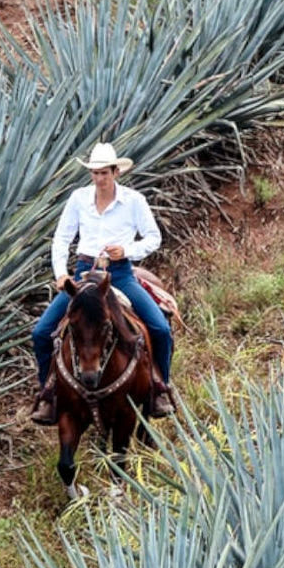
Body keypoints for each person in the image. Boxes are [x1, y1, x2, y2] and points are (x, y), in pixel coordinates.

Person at [31, 142, 174, 425]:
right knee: (41, 332)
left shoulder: (133, 201)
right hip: (84, 274)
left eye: (104, 173)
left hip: (119, 274)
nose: (99, 179)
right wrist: (61, 273)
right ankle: (49, 393)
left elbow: (152, 237)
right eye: (95, 173)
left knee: (160, 328)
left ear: (115, 172)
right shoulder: (78, 199)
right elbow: (62, 238)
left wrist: (127, 251)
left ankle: (160, 388)